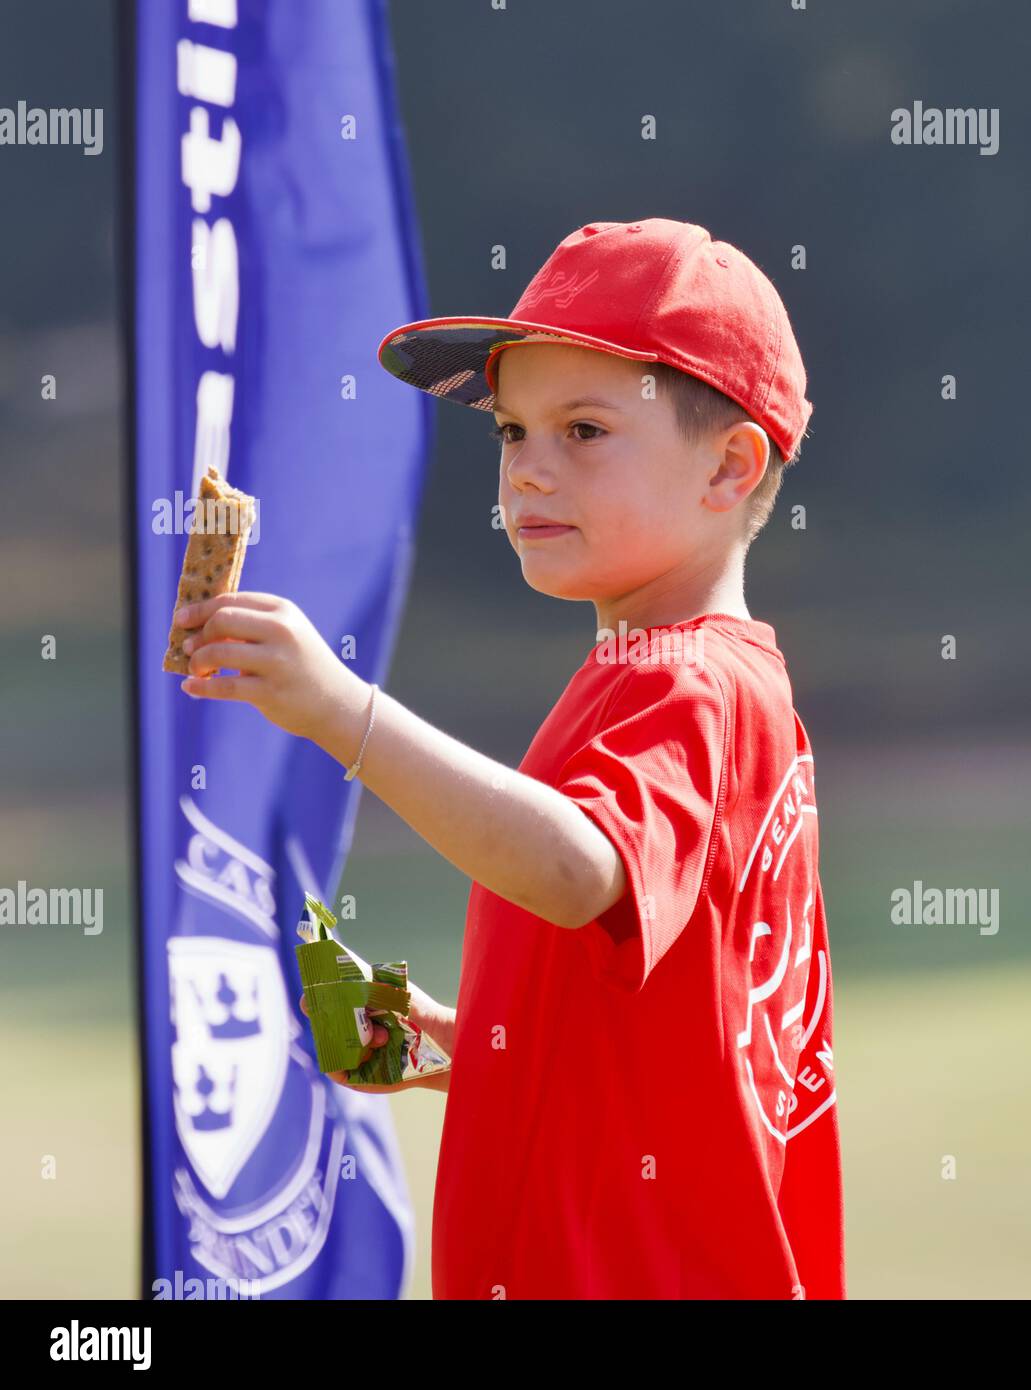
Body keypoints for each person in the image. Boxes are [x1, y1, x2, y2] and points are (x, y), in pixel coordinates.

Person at [174, 217, 845, 1299]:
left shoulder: (679, 681)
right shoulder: (703, 678)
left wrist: (341, 711)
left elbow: (576, 872)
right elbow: (661, 1042)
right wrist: (452, 1045)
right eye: (510, 432)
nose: (529, 469)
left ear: (729, 466)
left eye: (582, 431)